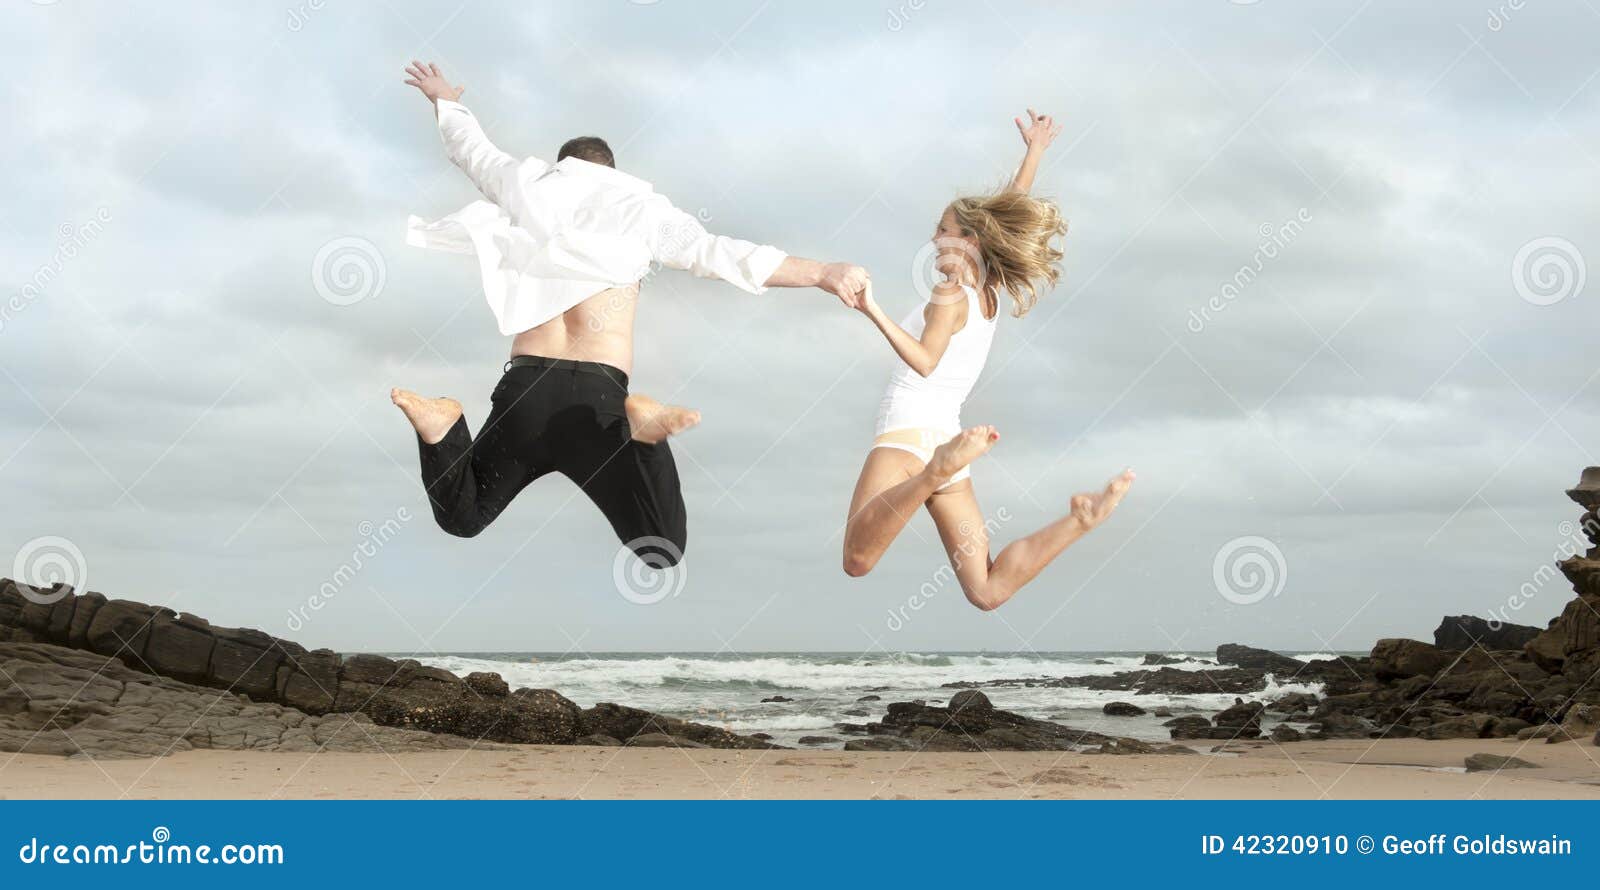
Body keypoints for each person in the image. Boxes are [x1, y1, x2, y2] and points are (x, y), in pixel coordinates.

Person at [392, 62, 869, 567]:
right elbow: (720, 254)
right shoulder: (644, 208)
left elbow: (472, 149)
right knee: (661, 549)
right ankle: (647, 436)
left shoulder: (526, 184)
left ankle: (442, 431)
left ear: (561, 165)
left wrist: (443, 97)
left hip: (525, 392)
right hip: (597, 401)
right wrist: (821, 272)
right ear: (612, 170)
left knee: (463, 517)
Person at [841, 109, 1134, 610]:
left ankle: (934, 473)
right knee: (986, 589)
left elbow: (926, 360)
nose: (935, 239)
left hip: (911, 434)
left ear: (969, 240)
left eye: (943, 229)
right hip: (948, 436)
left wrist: (872, 308)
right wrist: (1035, 150)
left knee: (857, 559)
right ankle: (1081, 520)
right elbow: (1009, 207)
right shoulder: (988, 291)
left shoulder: (950, 293)